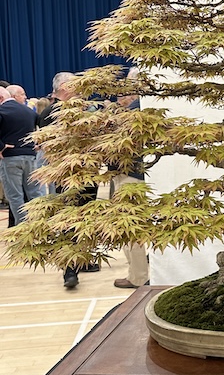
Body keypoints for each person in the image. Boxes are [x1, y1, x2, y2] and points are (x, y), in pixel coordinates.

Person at [38, 72, 100, 289]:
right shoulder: (50, 113)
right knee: (69, 221)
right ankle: (69, 269)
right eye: (76, 85)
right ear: (64, 87)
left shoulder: (84, 109)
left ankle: (82, 260)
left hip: (88, 172)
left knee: (86, 217)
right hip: (66, 176)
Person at [111, 68, 149, 289]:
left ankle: (138, 276)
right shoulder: (148, 108)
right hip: (141, 173)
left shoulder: (134, 111)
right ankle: (138, 273)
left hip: (131, 175)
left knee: (130, 227)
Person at [0, 85, 42, 225]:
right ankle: (39, 224)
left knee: (15, 196)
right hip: (30, 156)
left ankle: (22, 228)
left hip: (10, 157)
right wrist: (39, 144)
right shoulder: (28, 111)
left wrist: (1, 147)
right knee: (35, 193)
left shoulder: (2, 111)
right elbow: (43, 126)